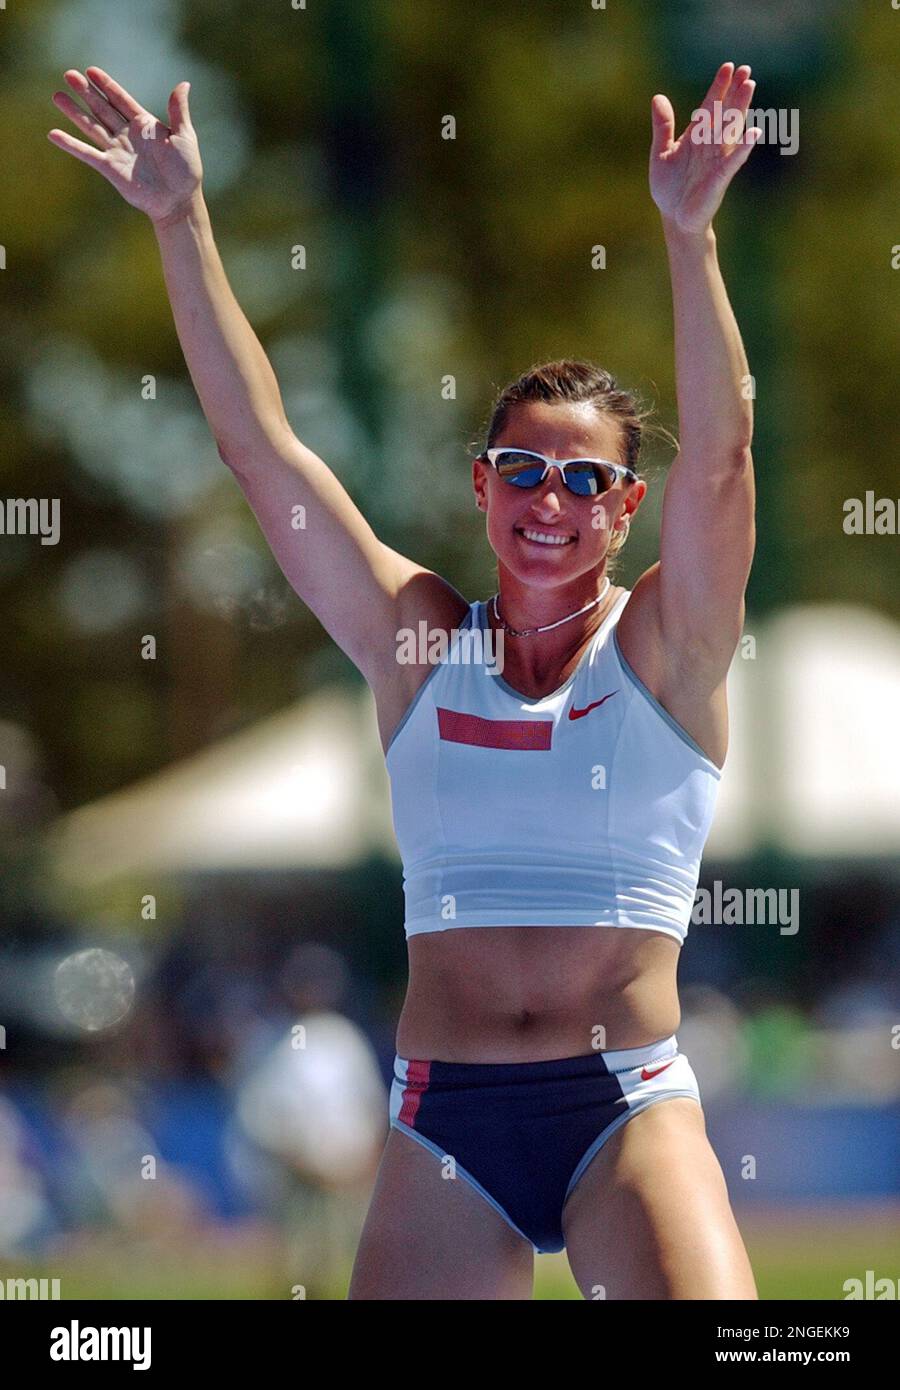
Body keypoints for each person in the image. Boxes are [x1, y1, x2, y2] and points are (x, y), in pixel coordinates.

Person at [49, 60, 760, 1300]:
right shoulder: (414, 642)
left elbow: (724, 468)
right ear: (481, 486)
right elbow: (262, 455)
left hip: (626, 1105)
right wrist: (183, 223)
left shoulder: (666, 648)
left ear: (625, 508)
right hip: (447, 1125)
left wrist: (688, 242)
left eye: (586, 480)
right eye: (522, 471)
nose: (553, 501)